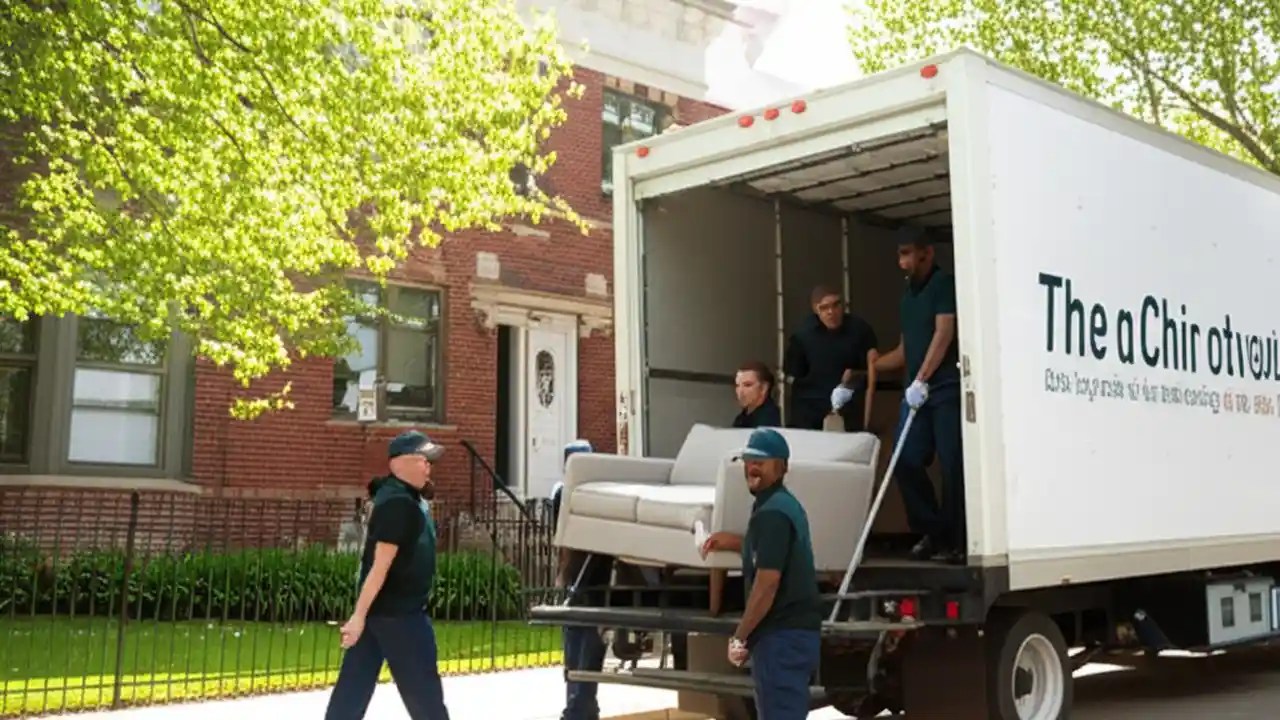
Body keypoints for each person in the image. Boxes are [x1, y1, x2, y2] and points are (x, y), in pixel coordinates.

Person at [326, 430, 451, 720]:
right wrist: (358, 617)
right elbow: (379, 566)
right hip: (400, 616)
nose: (428, 466)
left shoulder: (409, 499)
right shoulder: (397, 505)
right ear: (399, 465)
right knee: (426, 699)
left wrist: (363, 615)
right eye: (423, 459)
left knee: (351, 696)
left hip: (382, 614)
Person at [699, 428, 822, 720]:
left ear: (782, 467)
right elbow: (773, 550)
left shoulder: (772, 513)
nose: (752, 467)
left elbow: (767, 583)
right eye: (749, 460)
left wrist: (740, 636)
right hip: (793, 635)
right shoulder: (780, 504)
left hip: (781, 636)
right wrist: (734, 541)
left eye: (761, 462)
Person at [870, 226, 964, 563]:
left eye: (909, 253)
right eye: (900, 254)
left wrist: (923, 378)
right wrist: (870, 367)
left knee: (952, 464)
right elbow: (906, 349)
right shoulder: (908, 296)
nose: (903, 261)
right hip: (916, 394)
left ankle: (955, 540)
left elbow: (944, 333)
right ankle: (932, 530)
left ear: (927, 253)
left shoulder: (943, 285)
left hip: (944, 390)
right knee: (905, 458)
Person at [550, 439, 613, 720]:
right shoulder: (563, 494)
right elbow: (563, 539)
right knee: (574, 656)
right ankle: (581, 710)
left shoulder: (603, 496)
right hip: (577, 584)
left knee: (587, 654)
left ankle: (577, 711)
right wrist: (562, 573)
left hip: (598, 586)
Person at [783, 285, 878, 432]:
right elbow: (793, 375)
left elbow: (874, 368)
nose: (831, 312)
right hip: (810, 407)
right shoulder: (802, 335)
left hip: (849, 403)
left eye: (836, 305)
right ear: (815, 309)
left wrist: (854, 377)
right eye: (824, 307)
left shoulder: (860, 330)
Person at [732, 360, 782, 429]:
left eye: (747, 385)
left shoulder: (771, 420)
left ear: (764, 388)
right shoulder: (741, 419)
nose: (740, 391)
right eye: (737, 385)